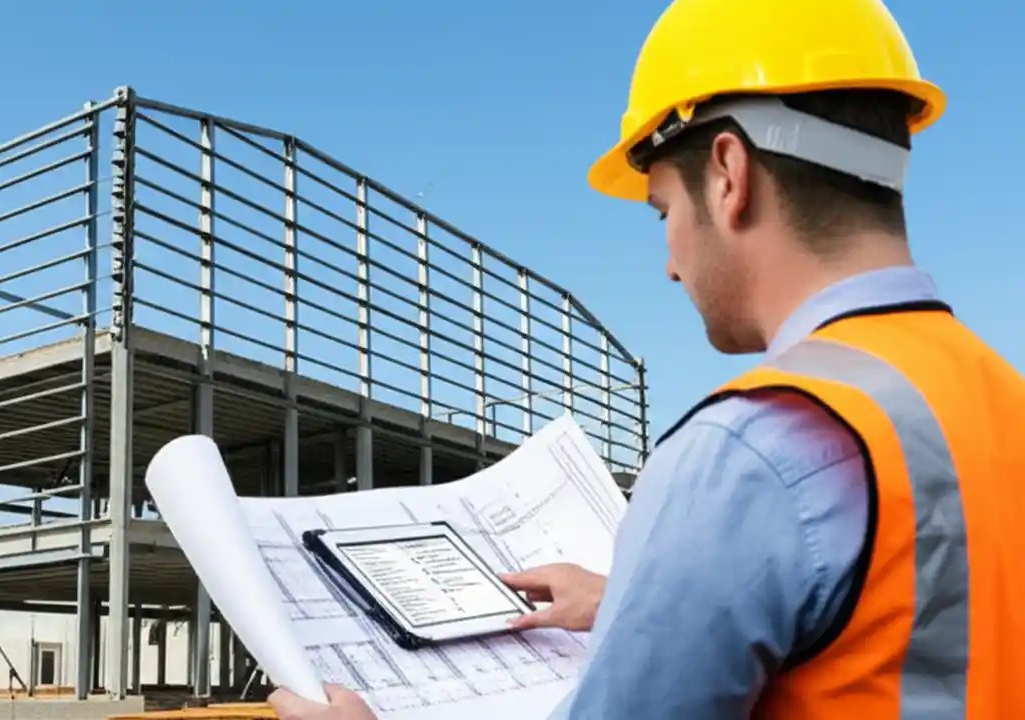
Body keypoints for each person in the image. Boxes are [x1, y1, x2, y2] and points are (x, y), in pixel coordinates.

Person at [268, 0, 1025, 717]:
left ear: (729, 176)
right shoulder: (999, 398)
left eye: (663, 211)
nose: (668, 264)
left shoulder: (752, 450)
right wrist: (636, 599)